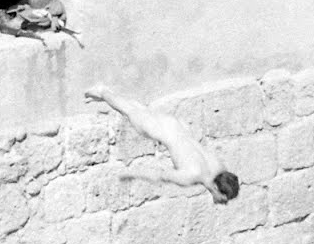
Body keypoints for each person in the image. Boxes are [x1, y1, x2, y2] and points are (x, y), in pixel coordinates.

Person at [85, 85, 241, 204]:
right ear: (215, 188)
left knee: (139, 110)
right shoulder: (191, 176)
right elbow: (159, 176)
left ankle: (106, 94)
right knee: (129, 111)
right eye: (223, 199)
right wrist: (130, 174)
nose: (223, 203)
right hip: (161, 132)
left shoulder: (219, 167)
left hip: (177, 126)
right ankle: (102, 92)